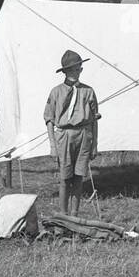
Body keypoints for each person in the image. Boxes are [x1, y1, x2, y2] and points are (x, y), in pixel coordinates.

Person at [43, 50, 100, 216]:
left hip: (83, 135)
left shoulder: (88, 91)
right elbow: (49, 119)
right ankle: (63, 215)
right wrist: (53, 146)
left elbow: (94, 120)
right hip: (64, 136)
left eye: (79, 69)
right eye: (73, 69)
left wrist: (94, 145)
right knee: (65, 178)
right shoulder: (56, 92)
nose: (76, 72)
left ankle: (74, 215)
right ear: (65, 71)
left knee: (78, 177)